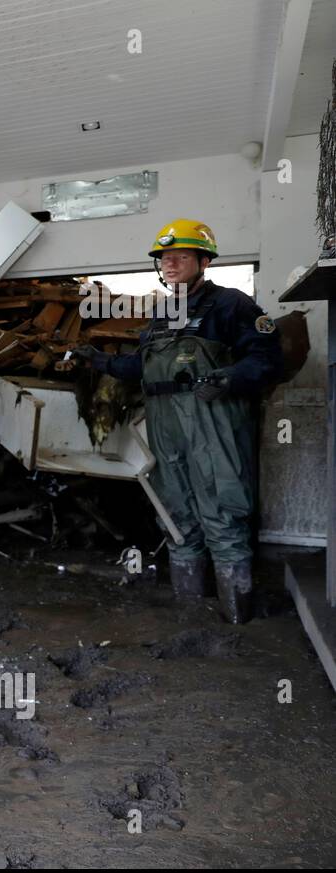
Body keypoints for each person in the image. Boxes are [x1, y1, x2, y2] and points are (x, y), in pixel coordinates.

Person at [74, 219, 281, 623]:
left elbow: (267, 357)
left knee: (222, 507)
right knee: (175, 512)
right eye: (164, 259)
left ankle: (236, 616)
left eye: (180, 257)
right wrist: (98, 360)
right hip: (165, 423)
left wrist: (228, 379)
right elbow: (140, 367)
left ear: (204, 261)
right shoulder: (161, 315)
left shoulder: (231, 305)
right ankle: (191, 613)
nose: (169, 264)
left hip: (213, 420)